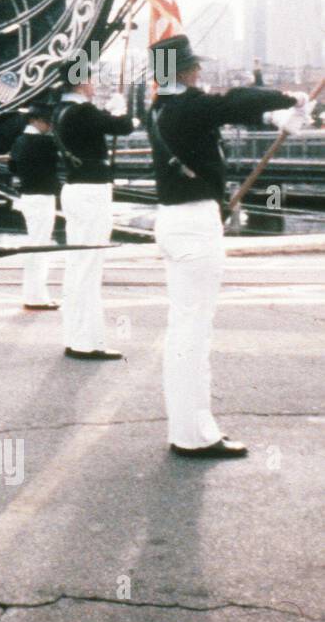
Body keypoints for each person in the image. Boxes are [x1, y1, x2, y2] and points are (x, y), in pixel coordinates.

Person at [146, 34, 306, 458]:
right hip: (195, 223)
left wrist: (274, 119)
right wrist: (288, 96)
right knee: (195, 333)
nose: (199, 73)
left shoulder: (160, 108)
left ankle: (186, 428)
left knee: (185, 328)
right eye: (194, 67)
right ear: (184, 71)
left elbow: (221, 113)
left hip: (176, 218)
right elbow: (233, 101)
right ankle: (194, 435)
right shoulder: (190, 104)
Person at [51, 61, 137, 360]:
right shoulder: (83, 111)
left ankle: (76, 337)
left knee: (77, 267)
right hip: (91, 192)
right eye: (89, 78)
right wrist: (120, 108)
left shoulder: (60, 111)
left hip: (75, 189)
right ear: (80, 82)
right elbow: (124, 127)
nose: (93, 84)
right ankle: (88, 343)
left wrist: (110, 112)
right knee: (90, 269)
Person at [8, 101, 60, 311]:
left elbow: (12, 166)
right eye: (48, 122)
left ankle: (34, 293)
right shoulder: (45, 143)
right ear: (37, 121)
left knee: (34, 246)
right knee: (40, 248)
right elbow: (53, 170)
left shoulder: (20, 141)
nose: (50, 126)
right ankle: (37, 296)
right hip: (42, 198)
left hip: (27, 197)